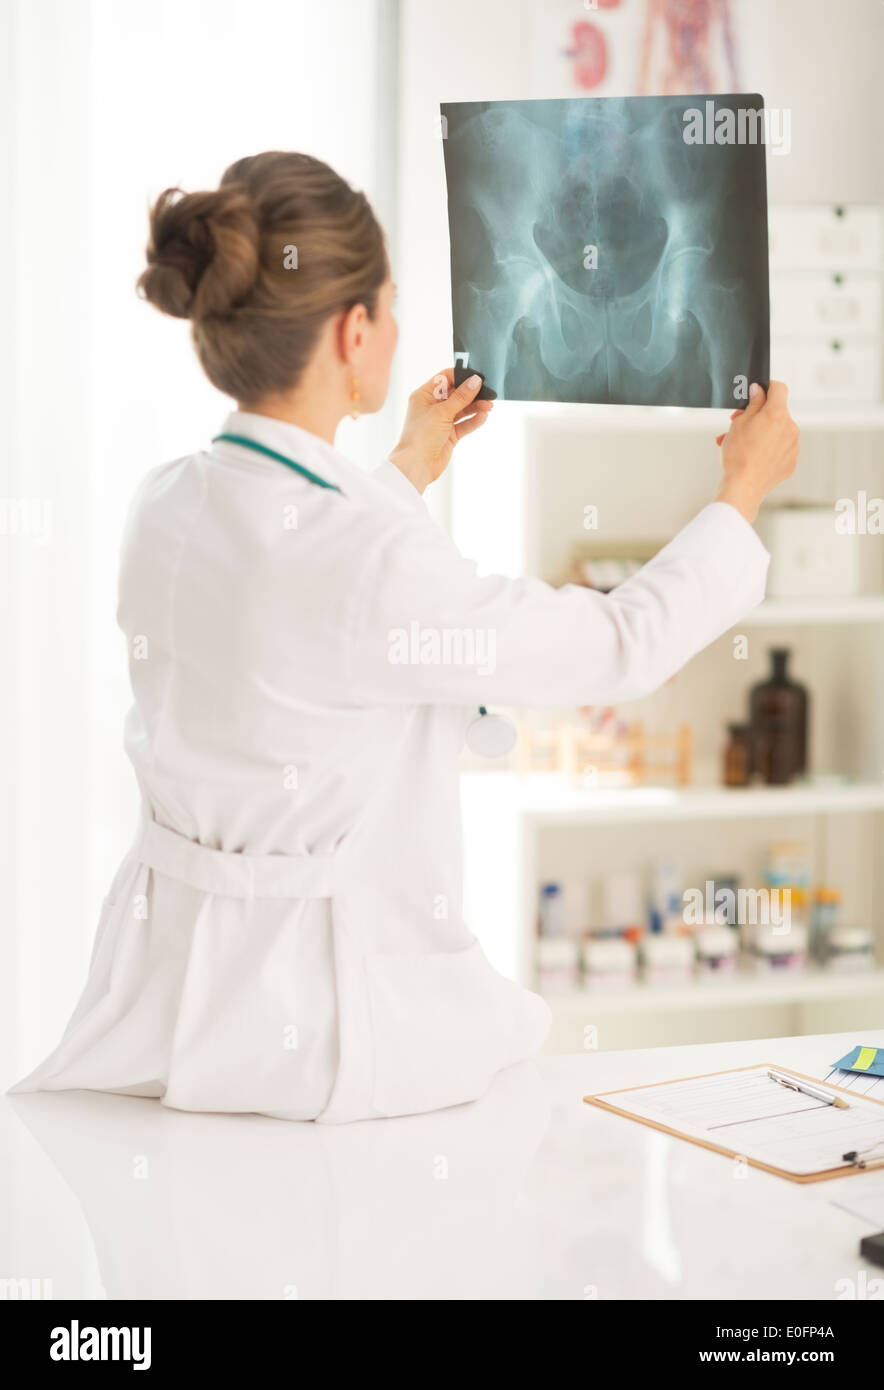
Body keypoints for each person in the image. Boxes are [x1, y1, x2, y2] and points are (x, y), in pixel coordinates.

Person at [10, 151, 799, 1123]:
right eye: (387, 304)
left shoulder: (168, 500)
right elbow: (615, 644)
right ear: (353, 333)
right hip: (330, 1029)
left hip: (166, 1007)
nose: (394, 323)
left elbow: (295, 601)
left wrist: (404, 469)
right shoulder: (365, 559)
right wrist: (740, 494)